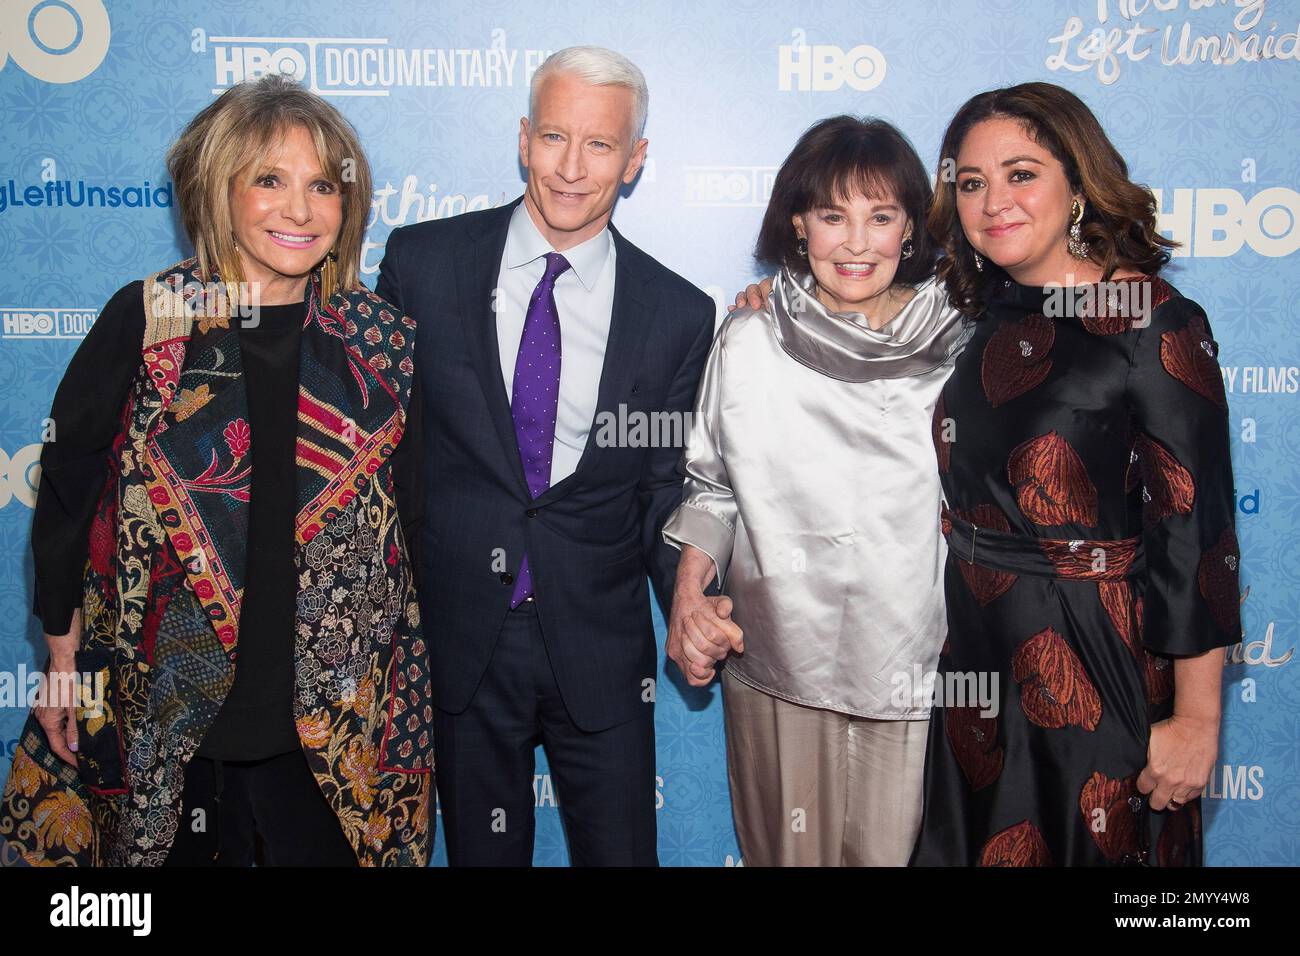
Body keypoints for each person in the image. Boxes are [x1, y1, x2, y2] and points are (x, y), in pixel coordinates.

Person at [0, 74, 433, 867]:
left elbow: (418, 518)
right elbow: (67, 496)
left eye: (322, 186)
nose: (300, 210)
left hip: (335, 723)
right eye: (269, 180)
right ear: (216, 190)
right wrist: (63, 664)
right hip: (163, 708)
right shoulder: (149, 319)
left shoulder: (381, 339)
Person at [375, 46, 714, 866]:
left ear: (634, 161)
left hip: (599, 652)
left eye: (599, 145)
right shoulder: (421, 264)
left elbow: (662, 491)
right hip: (456, 646)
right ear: (524, 138)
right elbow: (381, 454)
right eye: (554, 136)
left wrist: (692, 597)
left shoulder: (675, 311)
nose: (570, 167)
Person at [908, 82, 1239, 866]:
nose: (995, 201)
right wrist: (769, 301)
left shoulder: (1152, 321)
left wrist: (1196, 725)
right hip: (977, 664)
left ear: (1078, 183)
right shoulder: (983, 309)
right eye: (971, 182)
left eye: (1021, 174)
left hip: (1098, 663)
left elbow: (1198, 536)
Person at [668, 117, 969, 866]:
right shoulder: (749, 338)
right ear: (799, 224)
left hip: (916, 661)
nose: (857, 242)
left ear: (912, 228)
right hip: (777, 661)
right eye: (834, 216)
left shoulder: (966, 340)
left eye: (881, 216)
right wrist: (687, 593)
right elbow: (712, 488)